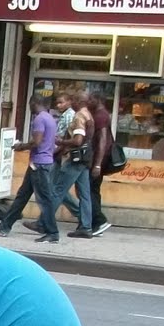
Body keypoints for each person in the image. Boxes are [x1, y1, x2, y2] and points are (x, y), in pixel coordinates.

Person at [0, 95, 60, 242]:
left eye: (30, 104)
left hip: (39, 164)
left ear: (33, 103)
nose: (29, 108)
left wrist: (20, 146)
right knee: (22, 196)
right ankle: (5, 225)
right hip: (42, 162)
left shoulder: (39, 119)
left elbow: (37, 142)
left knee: (44, 200)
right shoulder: (50, 118)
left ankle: (52, 232)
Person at [74, 92, 115, 239]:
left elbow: (102, 140)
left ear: (98, 100)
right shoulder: (98, 114)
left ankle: (99, 220)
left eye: (90, 99)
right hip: (98, 160)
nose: (88, 102)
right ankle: (92, 223)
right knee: (93, 191)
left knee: (87, 191)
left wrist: (97, 164)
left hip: (98, 160)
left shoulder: (100, 116)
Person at [54, 92, 94, 234]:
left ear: (78, 101)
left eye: (74, 100)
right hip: (85, 159)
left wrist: (61, 142)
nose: (72, 103)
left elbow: (77, 140)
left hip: (75, 158)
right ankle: (86, 226)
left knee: (58, 190)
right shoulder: (88, 114)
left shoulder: (79, 116)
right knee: (84, 194)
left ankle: (44, 221)